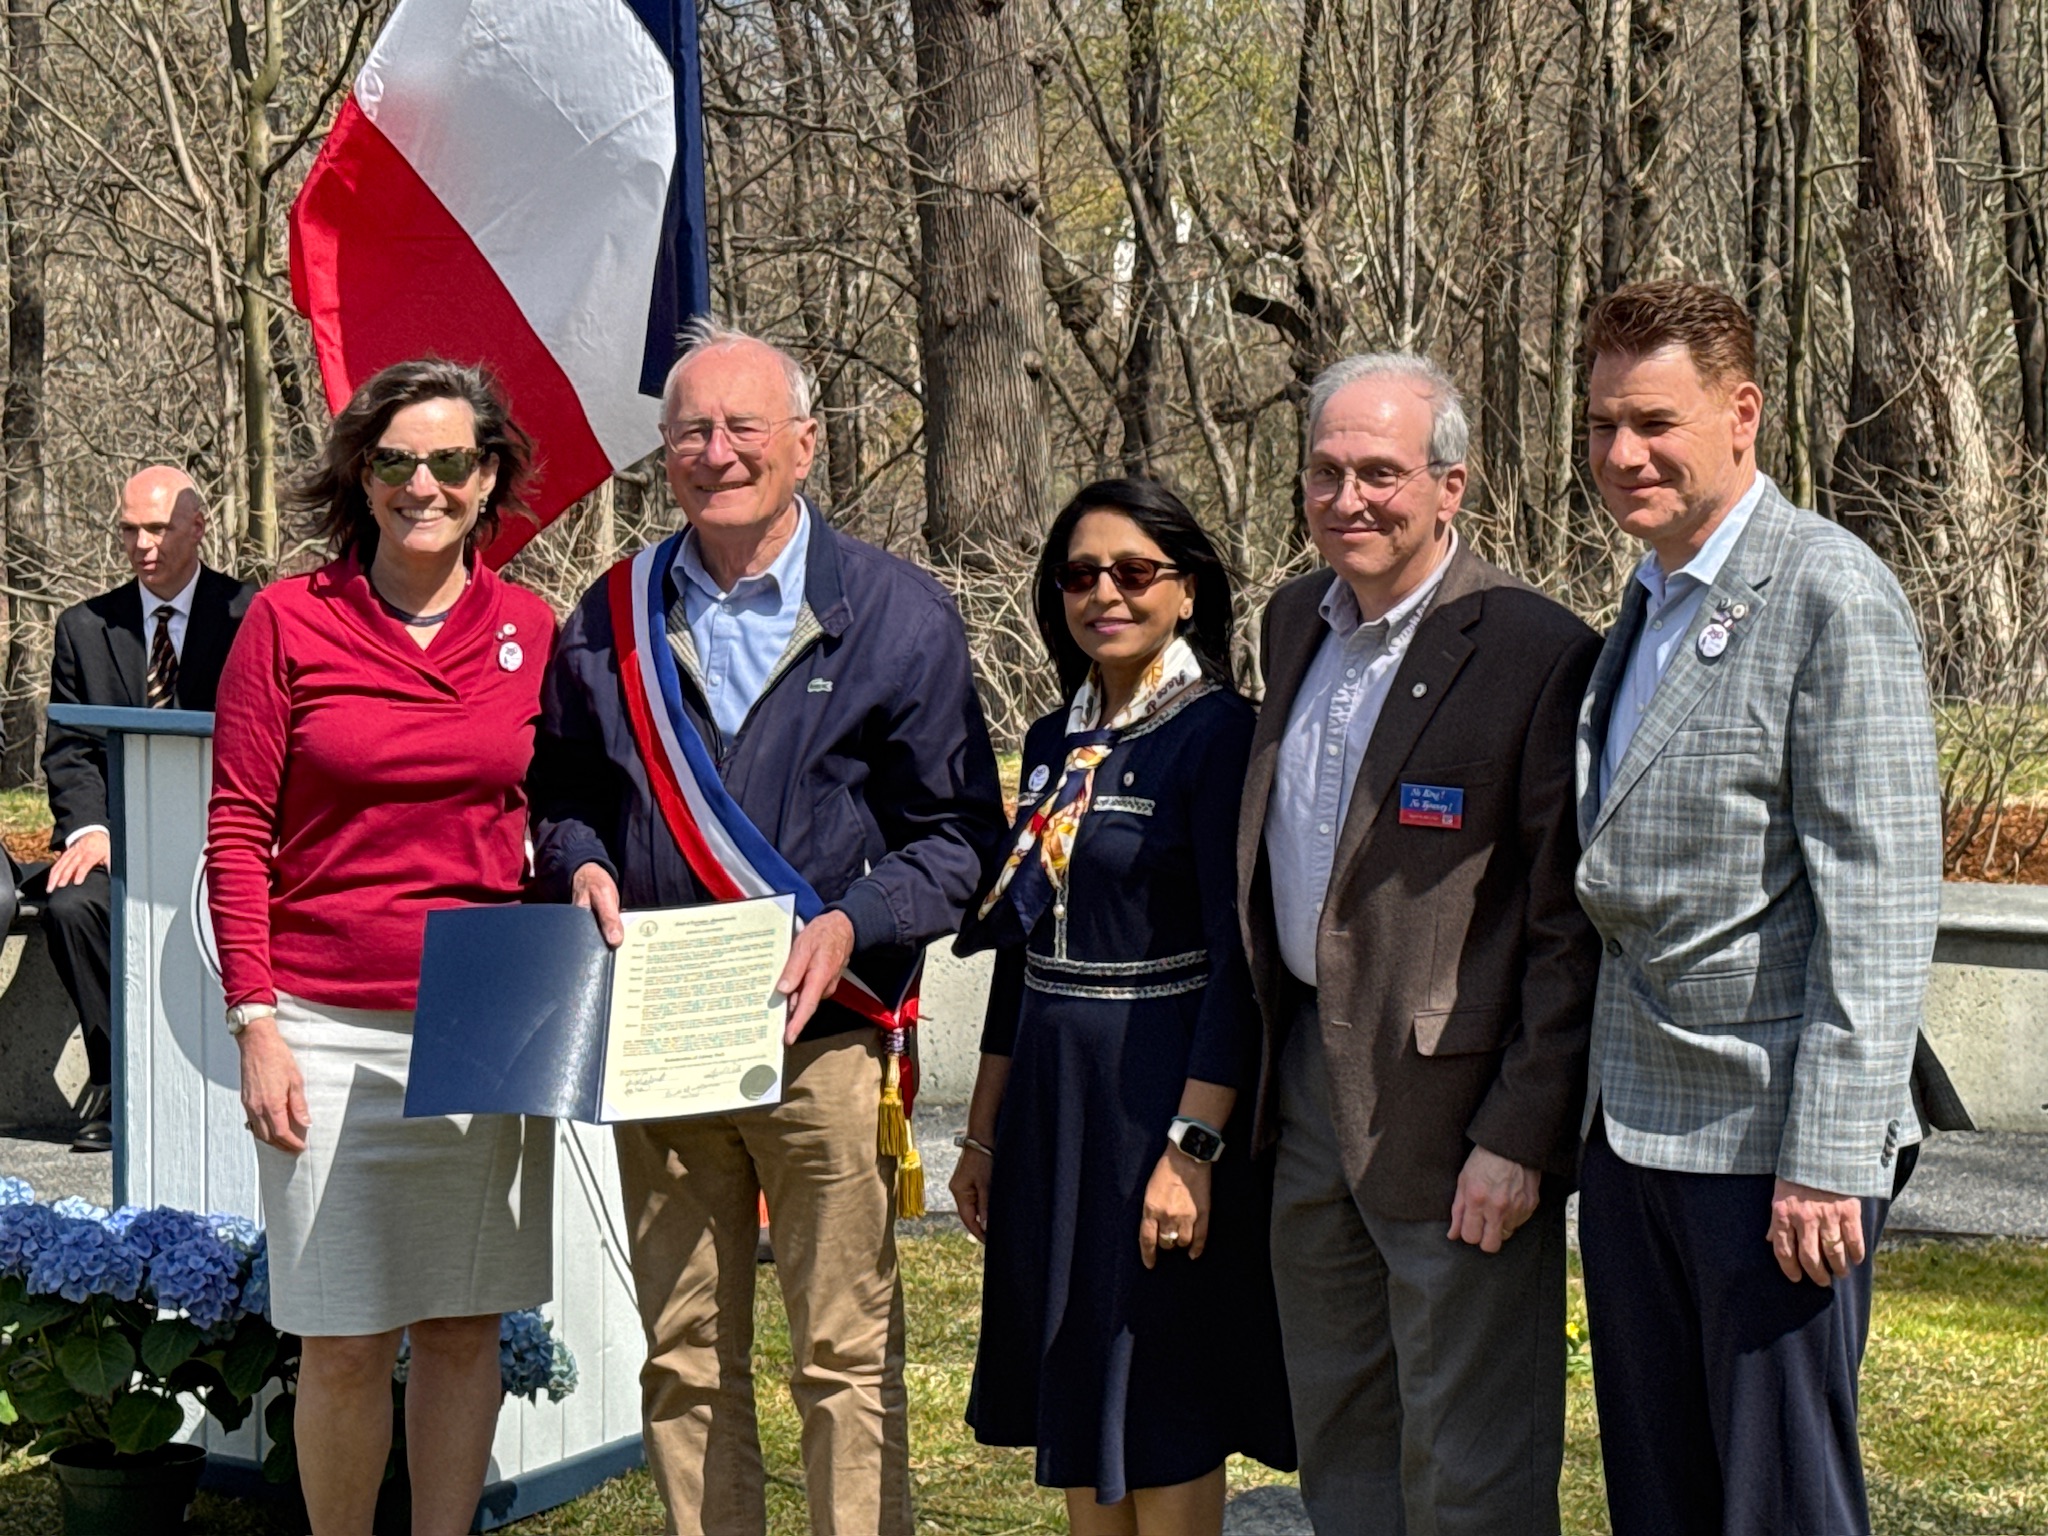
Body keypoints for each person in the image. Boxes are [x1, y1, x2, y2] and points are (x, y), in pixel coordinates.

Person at [529, 319, 1005, 1536]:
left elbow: (957, 837)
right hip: (665, 1039)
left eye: (744, 427)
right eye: (691, 430)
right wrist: (577, 866)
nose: (716, 452)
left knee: (842, 1357)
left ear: (806, 444)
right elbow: (563, 794)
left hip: (825, 1043)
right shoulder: (608, 615)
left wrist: (853, 922)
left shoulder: (899, 615)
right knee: (683, 1353)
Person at [1573, 279, 1967, 1536]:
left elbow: (1881, 896)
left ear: (1739, 414)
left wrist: (1826, 1161)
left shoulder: (1828, 594)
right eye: (1597, 424)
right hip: (1633, 1129)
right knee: (1662, 1498)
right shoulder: (1644, 599)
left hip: (1770, 1151)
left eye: (1652, 421)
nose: (1619, 453)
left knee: (1777, 1505)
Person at [1236, 354, 1601, 1535]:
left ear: (1449, 486)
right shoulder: (1292, 621)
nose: (1349, 499)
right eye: (1326, 472)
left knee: (1468, 1461)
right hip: (1301, 1095)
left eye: (1380, 474)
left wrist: (1519, 1135)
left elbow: (1564, 929)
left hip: (1454, 1119)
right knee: (1339, 1433)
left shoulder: (1533, 649)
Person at [206, 359, 556, 1536]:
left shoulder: (530, 629)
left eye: (450, 460)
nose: (424, 483)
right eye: (397, 459)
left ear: (487, 475)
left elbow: (555, 820)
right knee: (345, 1339)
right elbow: (237, 828)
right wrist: (255, 1021)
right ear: (361, 473)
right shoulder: (285, 620)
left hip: (484, 1024)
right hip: (319, 1022)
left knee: (463, 1330)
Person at [951, 478, 1295, 1535]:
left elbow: (1240, 967)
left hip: (1154, 1098)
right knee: (1070, 1370)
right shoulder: (1058, 738)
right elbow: (1019, 943)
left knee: (1155, 1389)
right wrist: (981, 1131)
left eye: (1135, 572)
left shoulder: (1218, 736)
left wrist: (1192, 1148)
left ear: (1186, 591)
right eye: (1080, 574)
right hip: (1053, 1107)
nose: (1106, 592)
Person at [40, 467, 254, 1153]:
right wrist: (94, 830)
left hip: (228, 839)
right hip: (123, 841)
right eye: (129, 528)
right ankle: (115, 1078)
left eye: (157, 527)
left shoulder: (253, 615)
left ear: (197, 526)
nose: (141, 543)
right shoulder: (83, 627)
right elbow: (70, 750)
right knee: (71, 906)